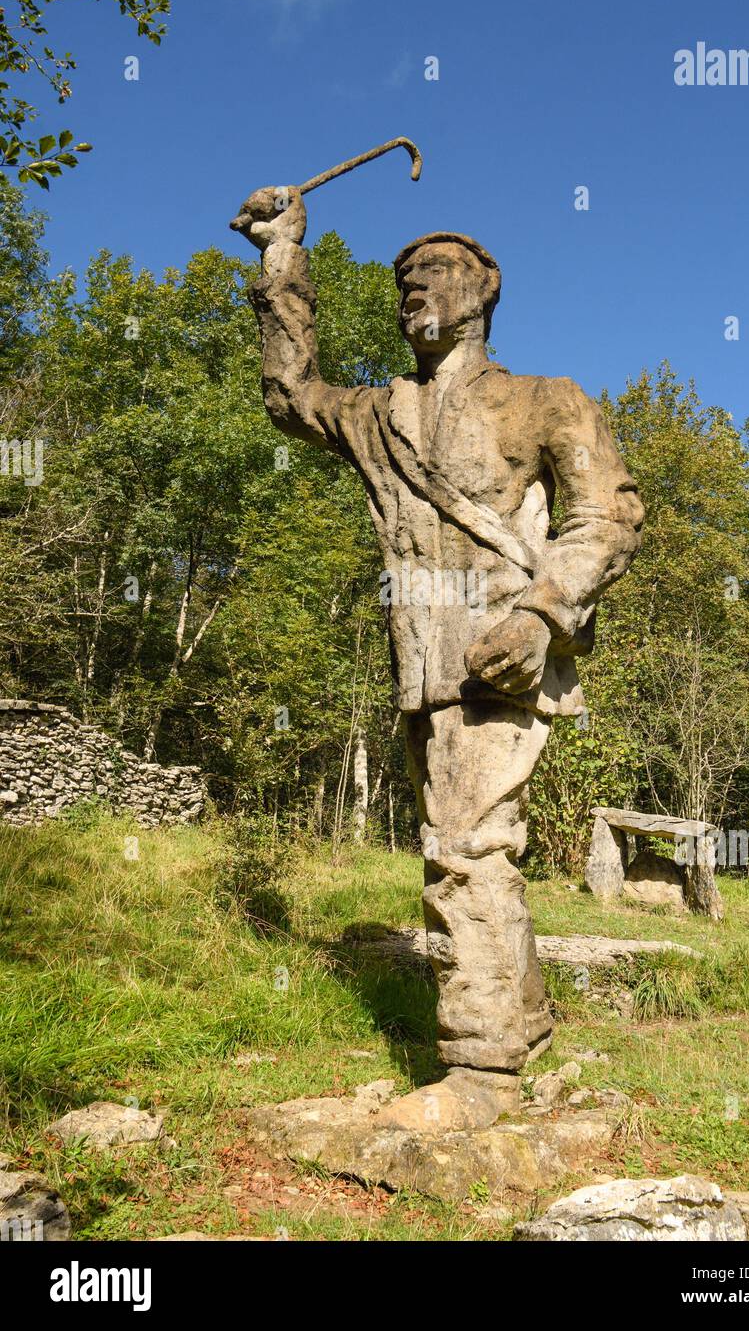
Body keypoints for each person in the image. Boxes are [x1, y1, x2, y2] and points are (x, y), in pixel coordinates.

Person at [231, 186, 644, 1131]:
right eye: (403, 280)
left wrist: (543, 616)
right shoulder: (380, 415)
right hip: (421, 666)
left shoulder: (547, 401)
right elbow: (292, 396)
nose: (415, 288)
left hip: (505, 652)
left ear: (484, 289)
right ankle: (527, 1032)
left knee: (462, 848)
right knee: (474, 844)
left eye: (437, 273)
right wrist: (283, 258)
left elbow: (606, 517)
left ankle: (484, 1073)